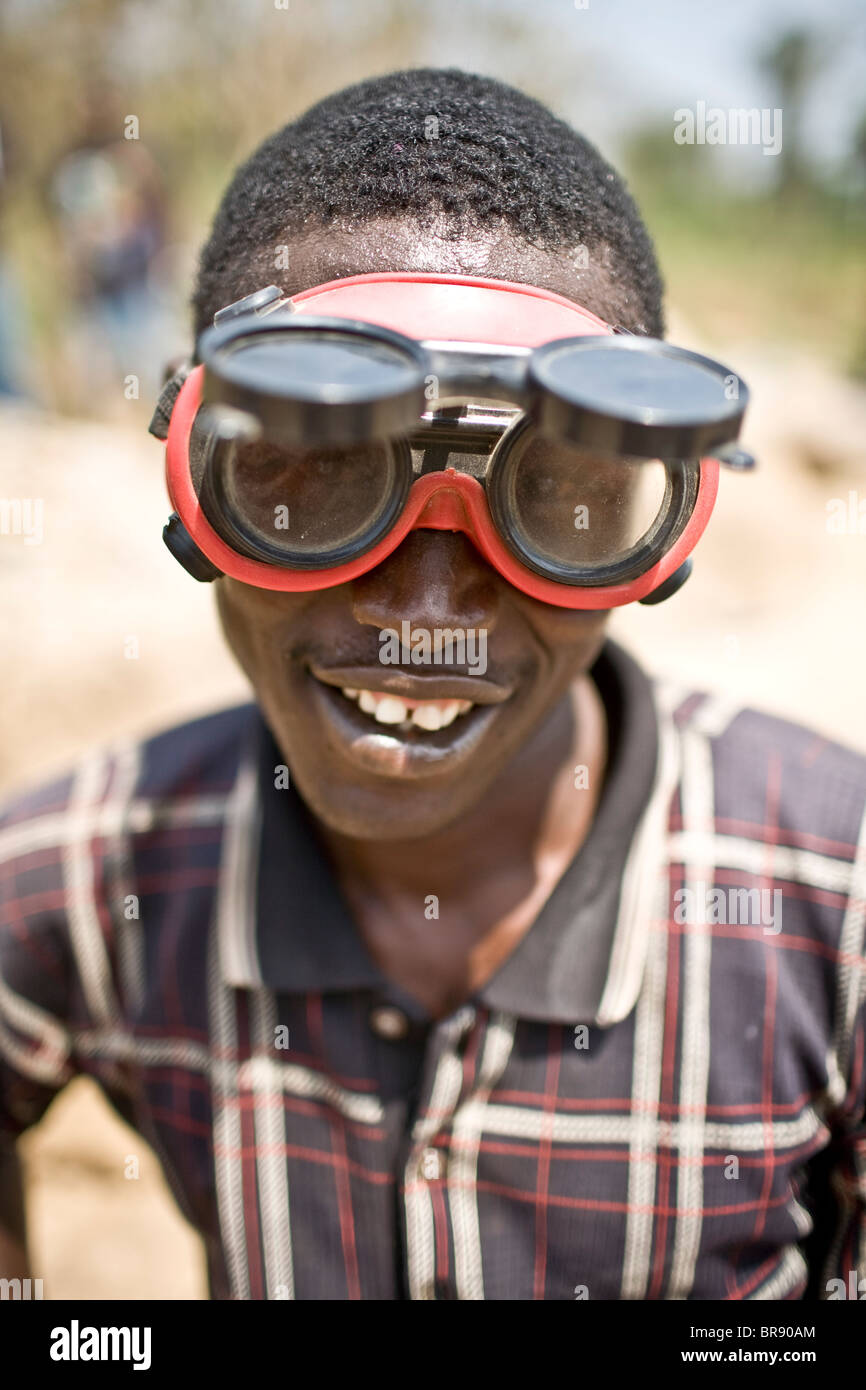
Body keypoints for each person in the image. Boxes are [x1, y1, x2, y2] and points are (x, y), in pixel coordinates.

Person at [1, 69, 864, 1303]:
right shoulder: (100, 869)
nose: (424, 611)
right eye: (318, 474)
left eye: (556, 497)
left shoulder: (835, 917)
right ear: (196, 495)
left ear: (653, 532)